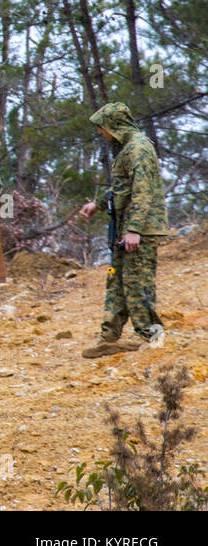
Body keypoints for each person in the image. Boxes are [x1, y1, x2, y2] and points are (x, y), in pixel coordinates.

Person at [76, 102, 169, 358]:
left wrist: (135, 229)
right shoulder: (126, 148)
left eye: (101, 128)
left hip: (140, 230)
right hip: (125, 229)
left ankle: (151, 337)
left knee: (136, 283)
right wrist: (96, 205)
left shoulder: (139, 147)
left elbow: (143, 190)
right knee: (116, 281)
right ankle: (109, 337)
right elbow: (122, 187)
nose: (100, 134)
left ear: (113, 125)